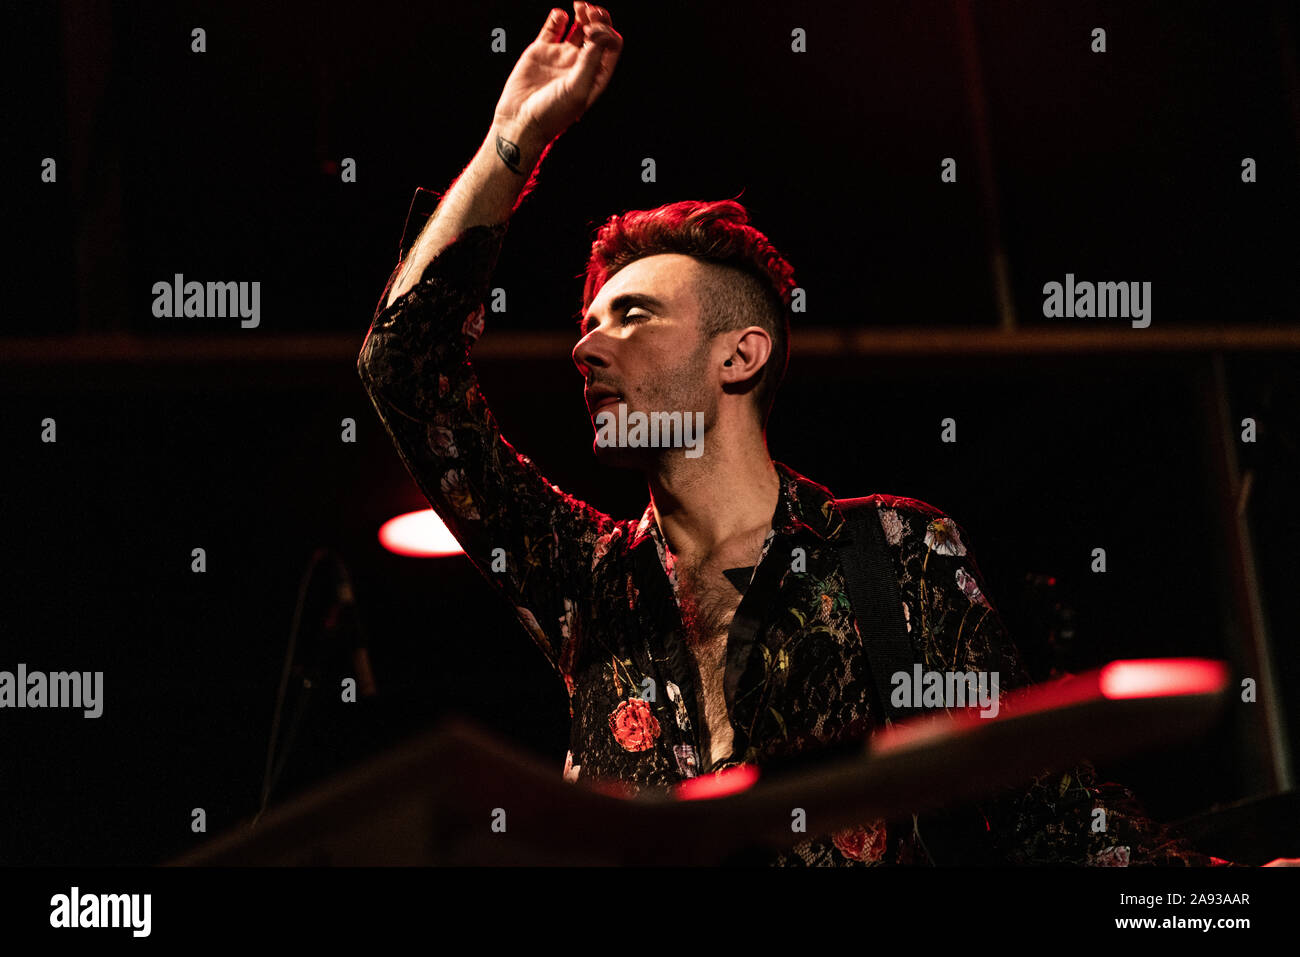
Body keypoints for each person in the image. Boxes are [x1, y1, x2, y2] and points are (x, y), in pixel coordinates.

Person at [357, 2, 1282, 865]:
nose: (586, 345)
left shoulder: (896, 556)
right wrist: (514, 139)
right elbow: (402, 367)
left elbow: (1052, 819)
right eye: (588, 323)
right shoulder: (588, 581)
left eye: (630, 316)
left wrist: (1226, 897)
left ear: (741, 355)